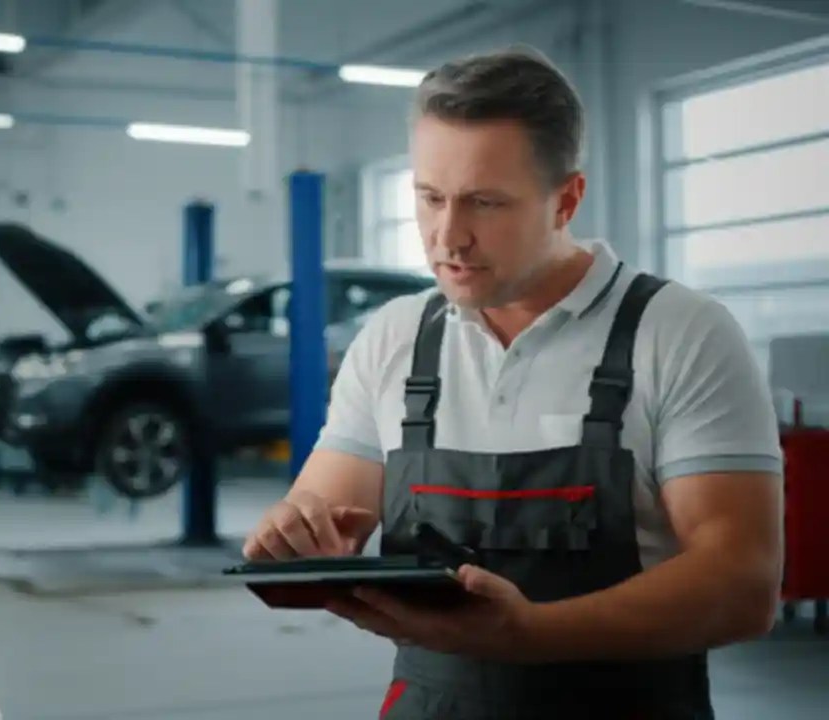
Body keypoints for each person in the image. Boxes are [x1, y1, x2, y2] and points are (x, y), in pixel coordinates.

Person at [243, 47, 783, 719]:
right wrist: (297, 539)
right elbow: (324, 512)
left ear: (568, 199)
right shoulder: (394, 338)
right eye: (430, 198)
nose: (448, 237)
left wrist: (531, 635)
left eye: (485, 203)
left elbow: (744, 584)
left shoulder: (682, 334)